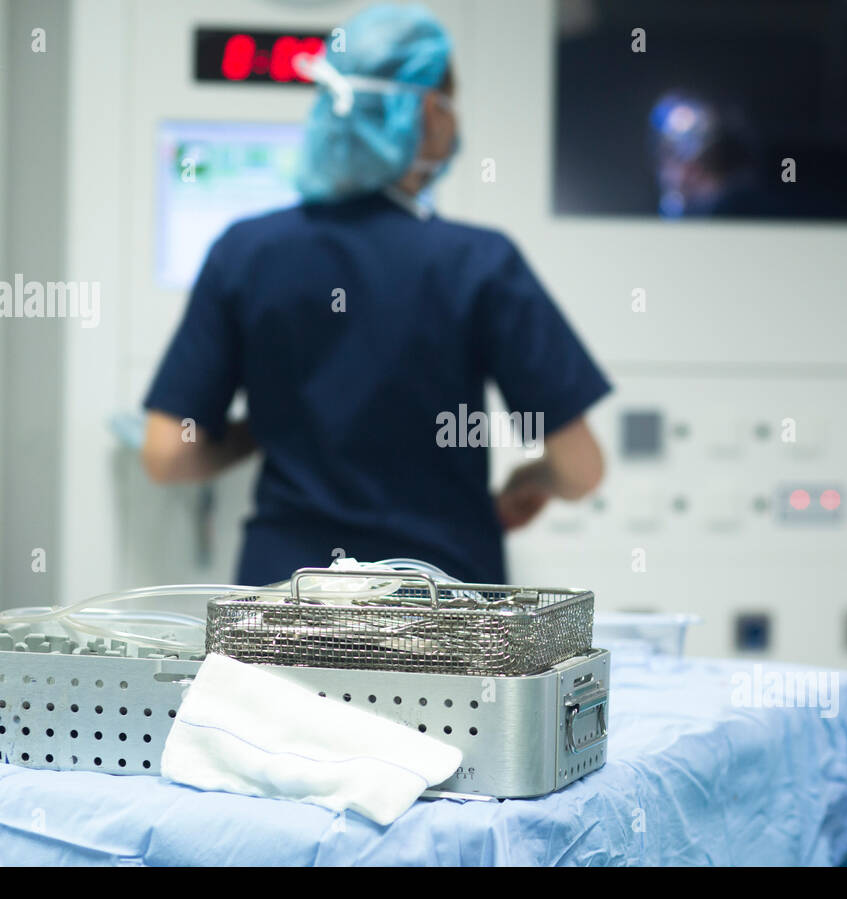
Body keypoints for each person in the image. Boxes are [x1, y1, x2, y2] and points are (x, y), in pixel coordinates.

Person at [140, 3, 610, 586]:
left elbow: (167, 454)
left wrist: (265, 426)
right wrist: (531, 482)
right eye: (450, 106)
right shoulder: (477, 262)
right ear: (430, 114)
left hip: (288, 603)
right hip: (440, 606)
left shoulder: (245, 251)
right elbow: (581, 469)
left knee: (266, 687)